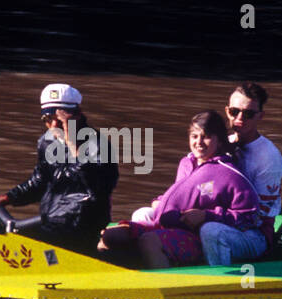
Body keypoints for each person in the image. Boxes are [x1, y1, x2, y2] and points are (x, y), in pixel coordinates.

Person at [99, 110, 260, 268]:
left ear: (219, 141)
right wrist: (159, 202)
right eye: (194, 136)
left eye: (206, 137)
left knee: (149, 241)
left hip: (197, 237)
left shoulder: (229, 174)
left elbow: (249, 216)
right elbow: (182, 194)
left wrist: (206, 216)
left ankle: (166, 288)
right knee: (111, 235)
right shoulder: (187, 163)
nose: (199, 142)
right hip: (170, 225)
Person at [0, 83, 118, 254]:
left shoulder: (98, 144)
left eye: (60, 120)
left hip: (82, 225)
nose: (53, 126)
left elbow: (98, 187)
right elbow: (39, 182)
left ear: (77, 116)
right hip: (52, 220)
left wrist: (72, 142)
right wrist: (7, 198)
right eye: (47, 119)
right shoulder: (46, 142)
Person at [198, 82, 282, 266]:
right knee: (146, 214)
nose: (240, 118)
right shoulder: (222, 144)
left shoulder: (269, 157)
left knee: (211, 231)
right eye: (234, 111)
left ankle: (219, 286)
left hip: (254, 235)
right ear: (227, 111)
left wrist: (208, 215)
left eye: (249, 113)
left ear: (261, 116)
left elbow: (256, 216)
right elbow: (204, 186)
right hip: (219, 217)